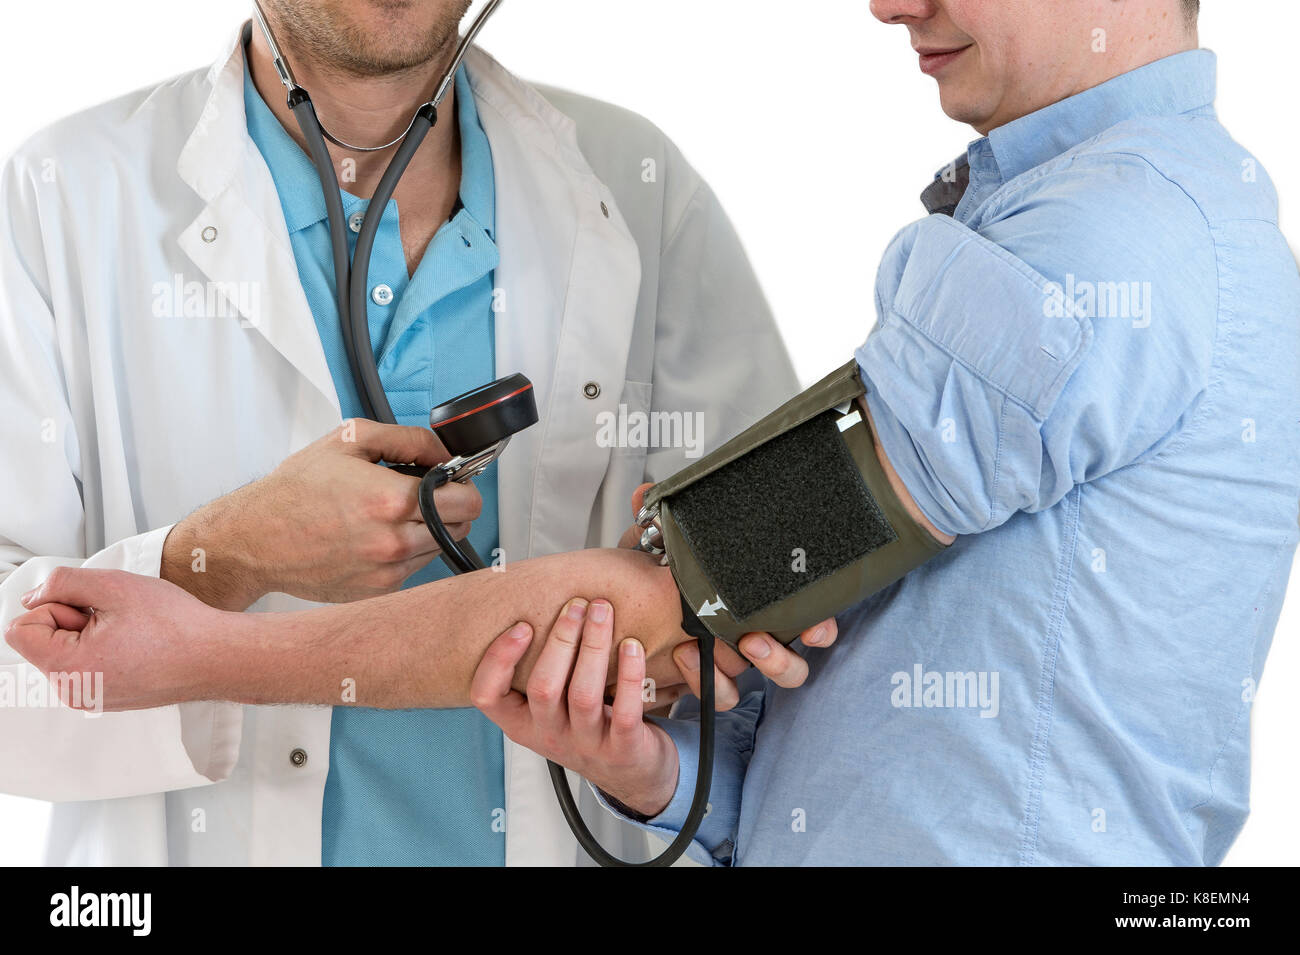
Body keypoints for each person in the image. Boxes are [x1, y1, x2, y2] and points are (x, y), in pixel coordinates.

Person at [11, 0, 1298, 868]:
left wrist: (218, 650)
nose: (885, 1)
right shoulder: (55, 200)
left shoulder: (1102, 247)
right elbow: (771, 682)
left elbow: (691, 594)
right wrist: (644, 756)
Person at [0, 0, 811, 866]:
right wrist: (224, 556)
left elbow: (780, 618)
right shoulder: (61, 199)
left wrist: (658, 658)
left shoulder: (637, 184)